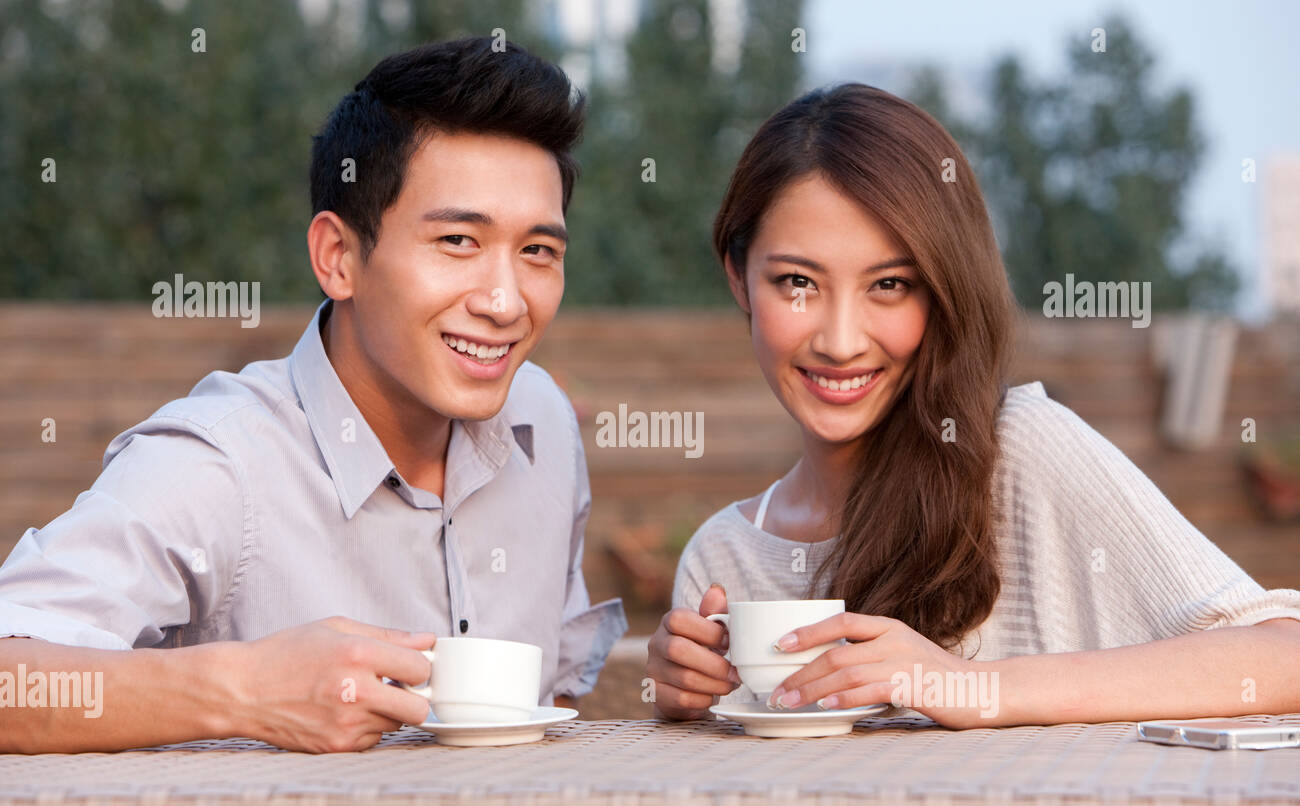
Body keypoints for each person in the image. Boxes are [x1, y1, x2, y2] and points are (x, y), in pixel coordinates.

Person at [0, 37, 626, 753]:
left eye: (538, 251)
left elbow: (562, 689)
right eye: (458, 240)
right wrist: (246, 692)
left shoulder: (540, 420)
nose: (505, 300)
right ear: (338, 258)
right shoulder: (220, 464)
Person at [647, 83, 1300, 728]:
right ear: (739, 277)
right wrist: (685, 706)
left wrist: (972, 689)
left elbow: (1285, 655)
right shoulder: (721, 559)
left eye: (890, 285)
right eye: (798, 282)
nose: (841, 342)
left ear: (943, 294)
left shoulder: (1021, 451)